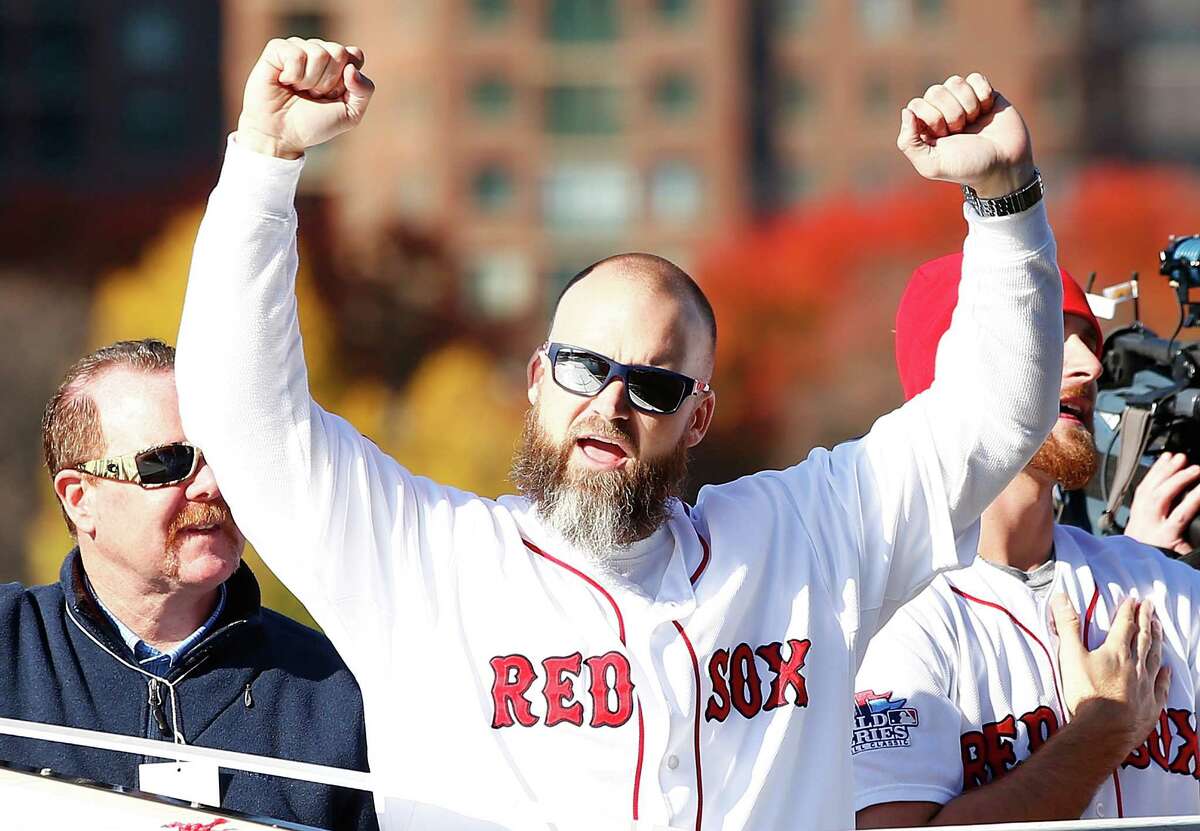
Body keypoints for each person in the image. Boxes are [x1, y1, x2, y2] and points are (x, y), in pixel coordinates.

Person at [176, 37, 1064, 831]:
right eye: (583, 366)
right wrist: (264, 162)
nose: (610, 402)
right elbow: (240, 411)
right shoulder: (421, 557)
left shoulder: (805, 539)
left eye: (653, 382)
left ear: (699, 415)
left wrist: (1002, 199)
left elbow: (994, 418)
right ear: (536, 379)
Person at [853, 254, 1200, 826]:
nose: (1091, 365)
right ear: (951, 372)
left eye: (1089, 339)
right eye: (1047, 336)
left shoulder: (1163, 587)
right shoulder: (893, 612)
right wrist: (1101, 732)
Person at [0, 339, 377, 831]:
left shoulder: (341, 691)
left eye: (223, 457)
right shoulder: (9, 648)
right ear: (79, 499)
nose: (211, 485)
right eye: (167, 463)